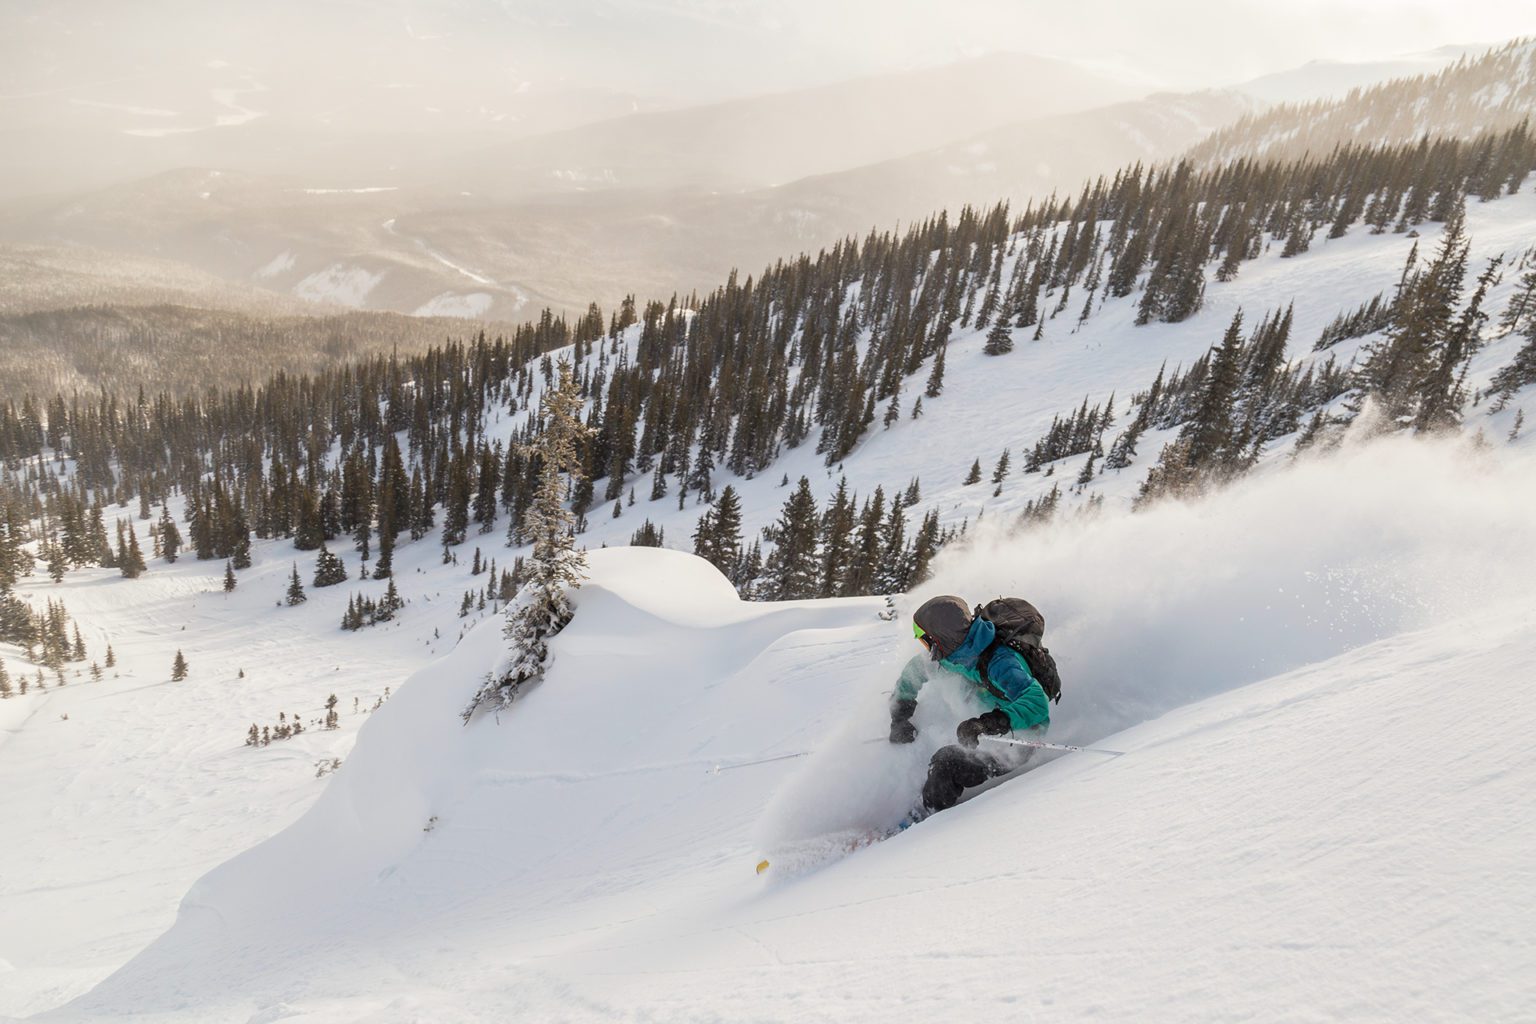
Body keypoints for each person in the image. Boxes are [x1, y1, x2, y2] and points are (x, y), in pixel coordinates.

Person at [889, 594, 1051, 815]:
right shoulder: (950, 655)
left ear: (939, 638)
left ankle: (925, 818)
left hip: (1019, 736)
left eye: (925, 640)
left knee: (946, 763)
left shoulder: (1001, 662)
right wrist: (900, 716)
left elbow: (1037, 702)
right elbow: (913, 672)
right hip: (985, 724)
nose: (925, 648)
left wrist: (985, 724)